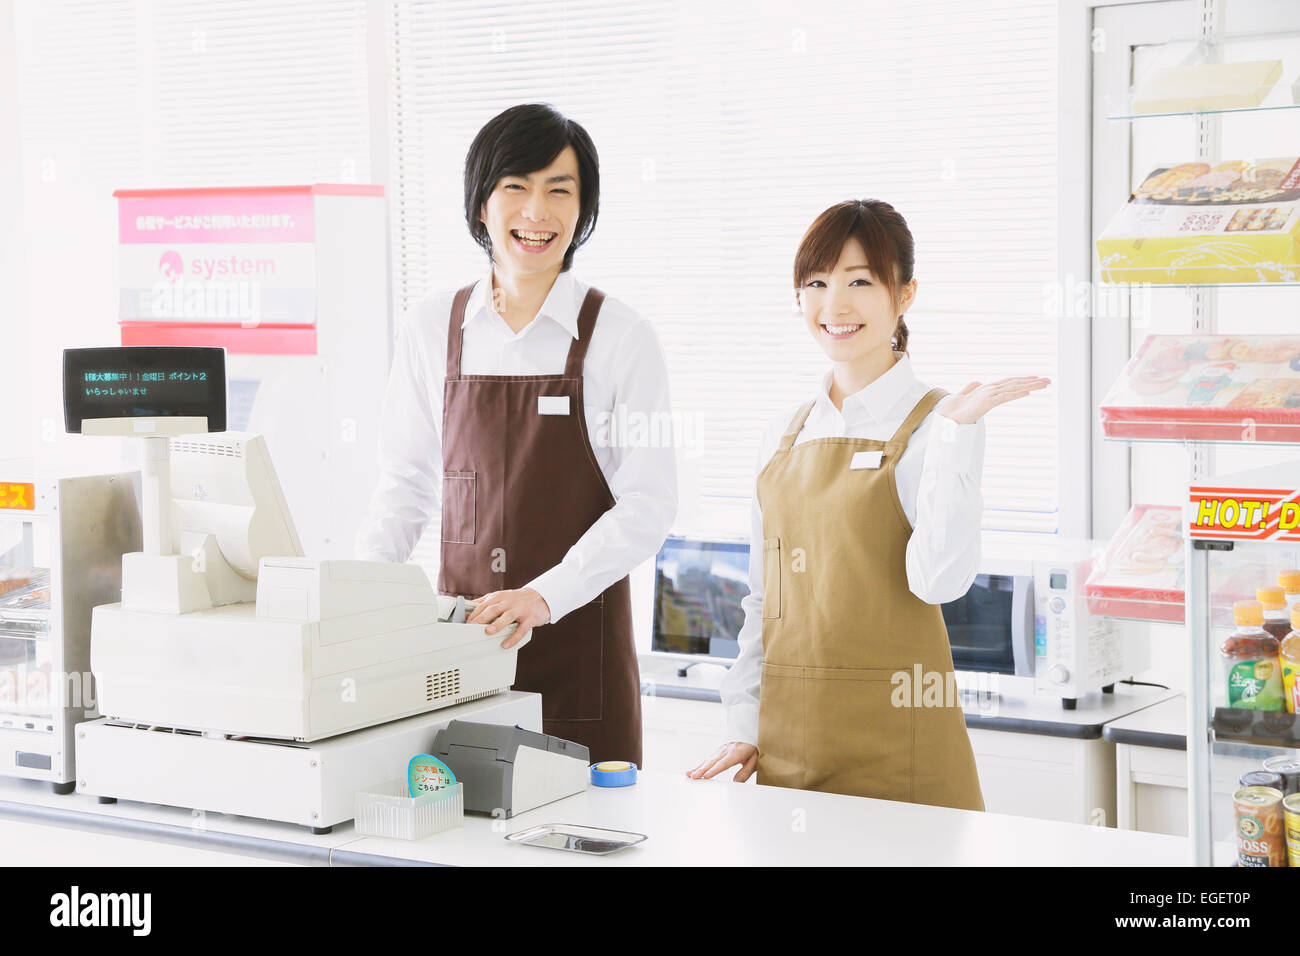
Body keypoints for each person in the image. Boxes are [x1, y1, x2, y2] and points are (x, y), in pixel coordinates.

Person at [687, 199, 1049, 809]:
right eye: (817, 283)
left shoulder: (942, 422)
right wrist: (743, 724)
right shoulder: (784, 432)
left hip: (901, 745)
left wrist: (956, 436)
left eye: (859, 281)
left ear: (904, 294)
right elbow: (762, 599)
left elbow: (940, 582)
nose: (835, 306)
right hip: (790, 743)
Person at [356, 104, 677, 766]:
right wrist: (357, 601)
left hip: (580, 664)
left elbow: (648, 506)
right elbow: (405, 487)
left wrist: (542, 598)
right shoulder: (429, 329)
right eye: (516, 187)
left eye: (560, 190)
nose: (538, 212)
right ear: (481, 205)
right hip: (461, 660)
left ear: (582, 211)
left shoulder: (622, 338)